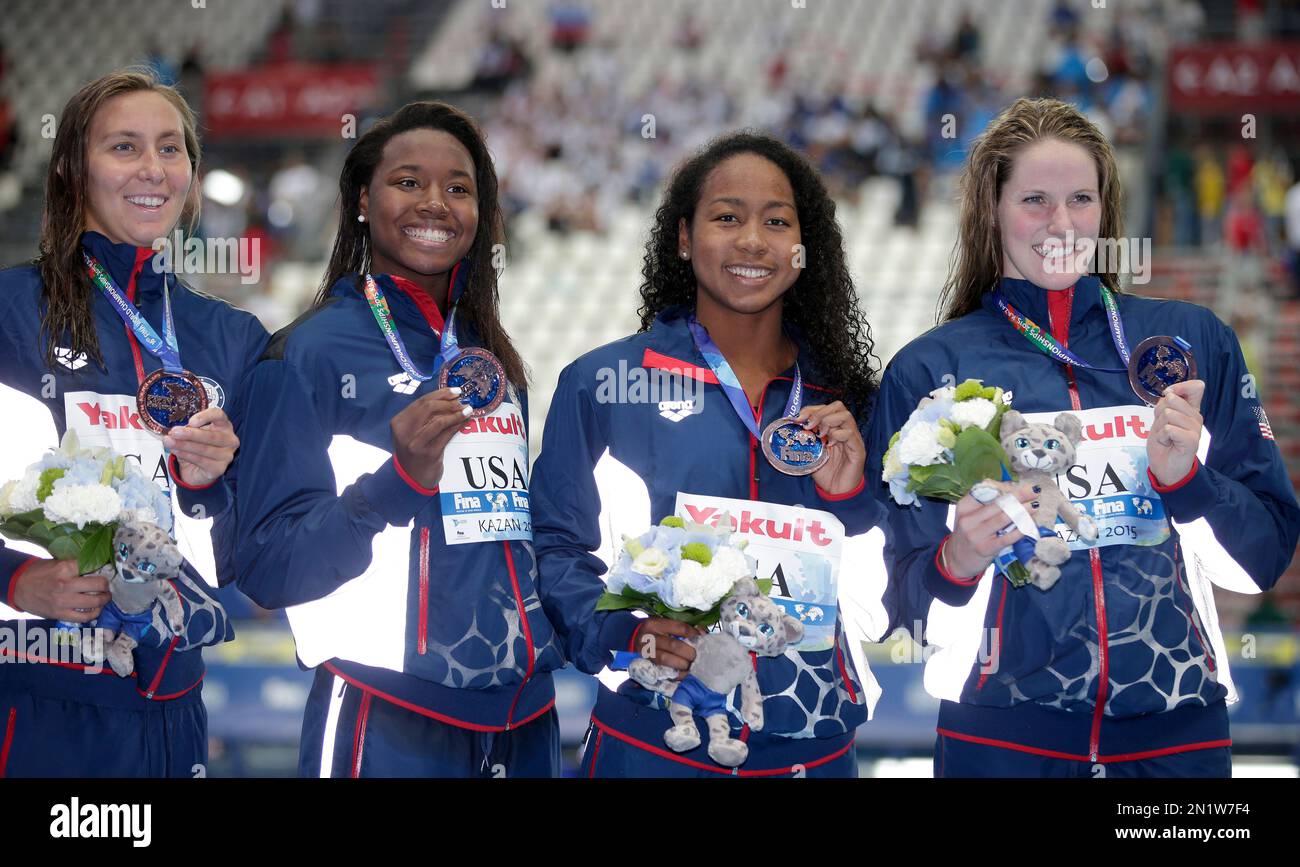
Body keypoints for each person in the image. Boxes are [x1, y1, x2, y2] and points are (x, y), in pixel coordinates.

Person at [869, 97, 1300, 778]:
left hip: (1175, 739)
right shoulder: (929, 371)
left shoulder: (1194, 345)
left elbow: (1266, 554)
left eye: (1081, 199)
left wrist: (1190, 481)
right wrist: (956, 558)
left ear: (1106, 209)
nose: (1061, 223)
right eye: (1035, 199)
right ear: (992, 209)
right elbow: (891, 606)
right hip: (1003, 745)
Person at [530, 132, 889, 777]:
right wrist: (622, 634)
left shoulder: (849, 398)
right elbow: (555, 546)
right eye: (727, 217)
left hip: (813, 741)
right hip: (657, 739)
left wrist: (848, 495)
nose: (753, 240)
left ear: (804, 249)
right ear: (684, 238)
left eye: (777, 222)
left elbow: (899, 560)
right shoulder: (603, 382)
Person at [232, 101, 569, 778]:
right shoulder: (305, 354)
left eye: (459, 187)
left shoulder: (490, 358)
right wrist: (396, 483)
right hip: (383, 713)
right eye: (408, 181)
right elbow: (268, 569)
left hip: (525, 717)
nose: (435, 203)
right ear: (362, 200)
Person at [0, 68, 268, 777]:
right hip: (34, 695)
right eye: (124, 147)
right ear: (70, 170)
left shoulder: (231, 336)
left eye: (170, 148)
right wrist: (13, 578)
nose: (153, 168)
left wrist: (212, 483)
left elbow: (262, 554)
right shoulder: (10, 310)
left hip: (176, 706)